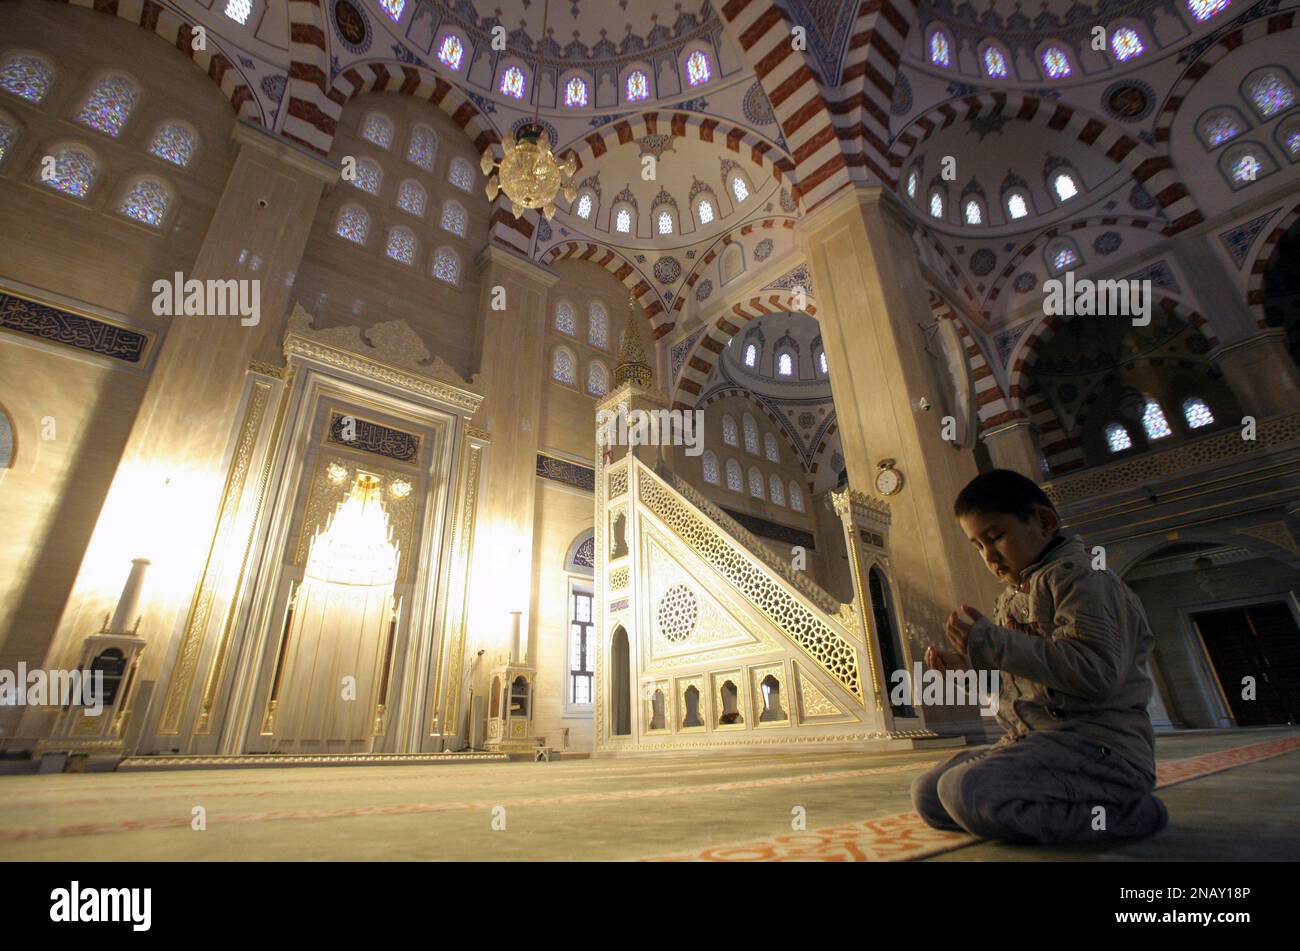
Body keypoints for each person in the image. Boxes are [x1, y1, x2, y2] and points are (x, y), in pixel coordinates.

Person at [910, 469, 1168, 845]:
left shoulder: (1082, 579)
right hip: (1035, 741)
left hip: (1100, 750)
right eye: (977, 546)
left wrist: (993, 644)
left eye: (995, 537)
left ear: (1044, 521)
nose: (989, 556)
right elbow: (1027, 689)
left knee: (966, 792)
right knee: (930, 794)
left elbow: (1095, 673)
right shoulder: (1015, 594)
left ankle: (1131, 813)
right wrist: (970, 672)